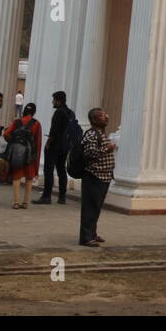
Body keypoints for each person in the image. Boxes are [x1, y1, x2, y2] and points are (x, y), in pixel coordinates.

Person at [79, 108, 116, 246]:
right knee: (90, 207)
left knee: (95, 207)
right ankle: (86, 237)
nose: (106, 116)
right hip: (94, 175)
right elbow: (90, 153)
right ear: (94, 120)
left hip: (102, 176)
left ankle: (92, 234)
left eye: (105, 114)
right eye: (101, 115)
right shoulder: (92, 135)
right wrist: (107, 148)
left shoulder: (99, 133)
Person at [36, 91, 75, 205]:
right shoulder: (71, 113)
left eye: (54, 100)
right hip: (65, 145)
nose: (53, 102)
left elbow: (54, 130)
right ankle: (62, 197)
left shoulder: (58, 112)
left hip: (55, 145)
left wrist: (48, 143)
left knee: (49, 170)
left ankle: (46, 196)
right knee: (61, 170)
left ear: (58, 100)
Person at [2, 103, 42, 208]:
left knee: (16, 177)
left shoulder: (17, 121)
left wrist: (13, 141)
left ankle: (16, 202)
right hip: (29, 154)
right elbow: (38, 142)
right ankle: (25, 203)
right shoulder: (36, 124)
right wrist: (36, 156)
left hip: (17, 152)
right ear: (34, 112)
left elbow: (6, 134)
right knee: (29, 178)